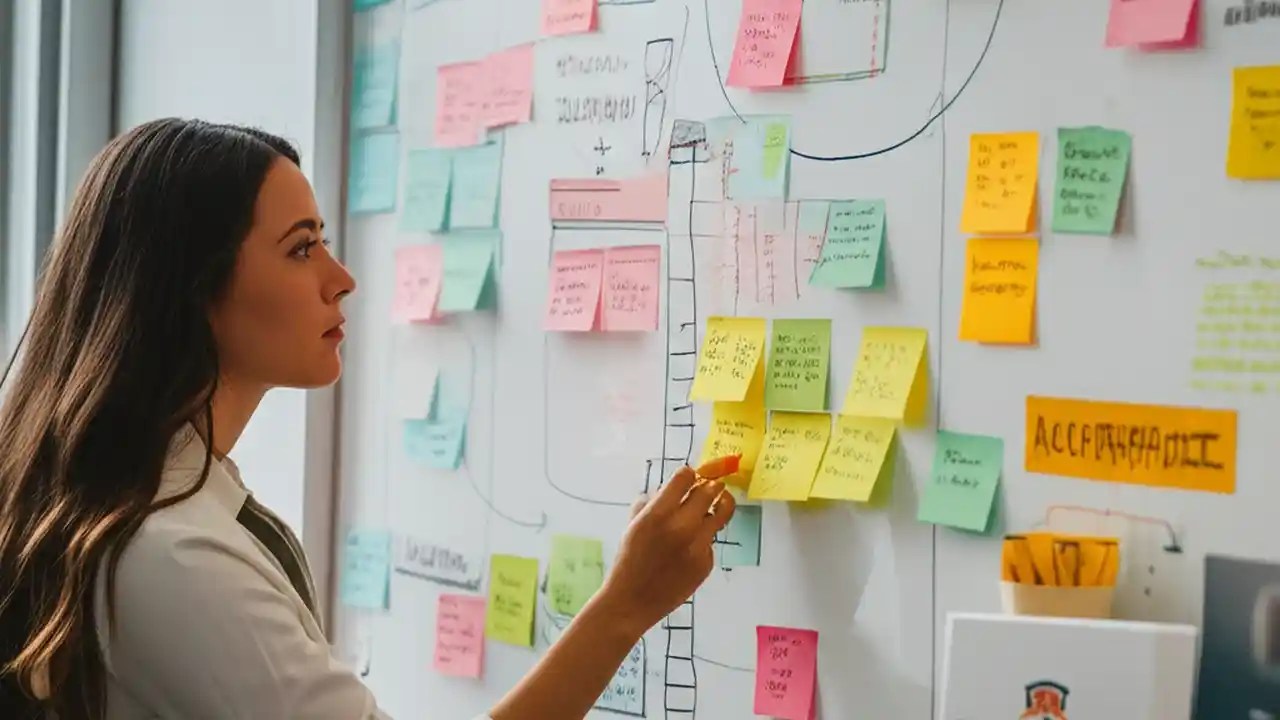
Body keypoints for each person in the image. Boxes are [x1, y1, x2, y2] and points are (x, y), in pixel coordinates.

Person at [0, 118, 738, 719]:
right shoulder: (172, 555)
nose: (341, 279)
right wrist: (623, 608)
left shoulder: (157, 507)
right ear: (191, 289)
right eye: (301, 248)